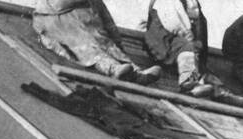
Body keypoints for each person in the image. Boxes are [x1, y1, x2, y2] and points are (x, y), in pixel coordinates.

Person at [31, 0, 162, 85]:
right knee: (87, 46)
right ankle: (113, 69)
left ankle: (136, 72)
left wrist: (119, 46)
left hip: (87, 26)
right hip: (57, 23)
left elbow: (108, 22)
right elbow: (57, 5)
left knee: (107, 44)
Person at [144, 0, 243, 105]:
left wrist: (198, 43)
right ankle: (188, 83)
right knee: (188, 49)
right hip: (165, 41)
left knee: (202, 69)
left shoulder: (193, 3)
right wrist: (188, 37)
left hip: (186, 45)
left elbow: (200, 25)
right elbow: (172, 22)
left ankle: (221, 93)